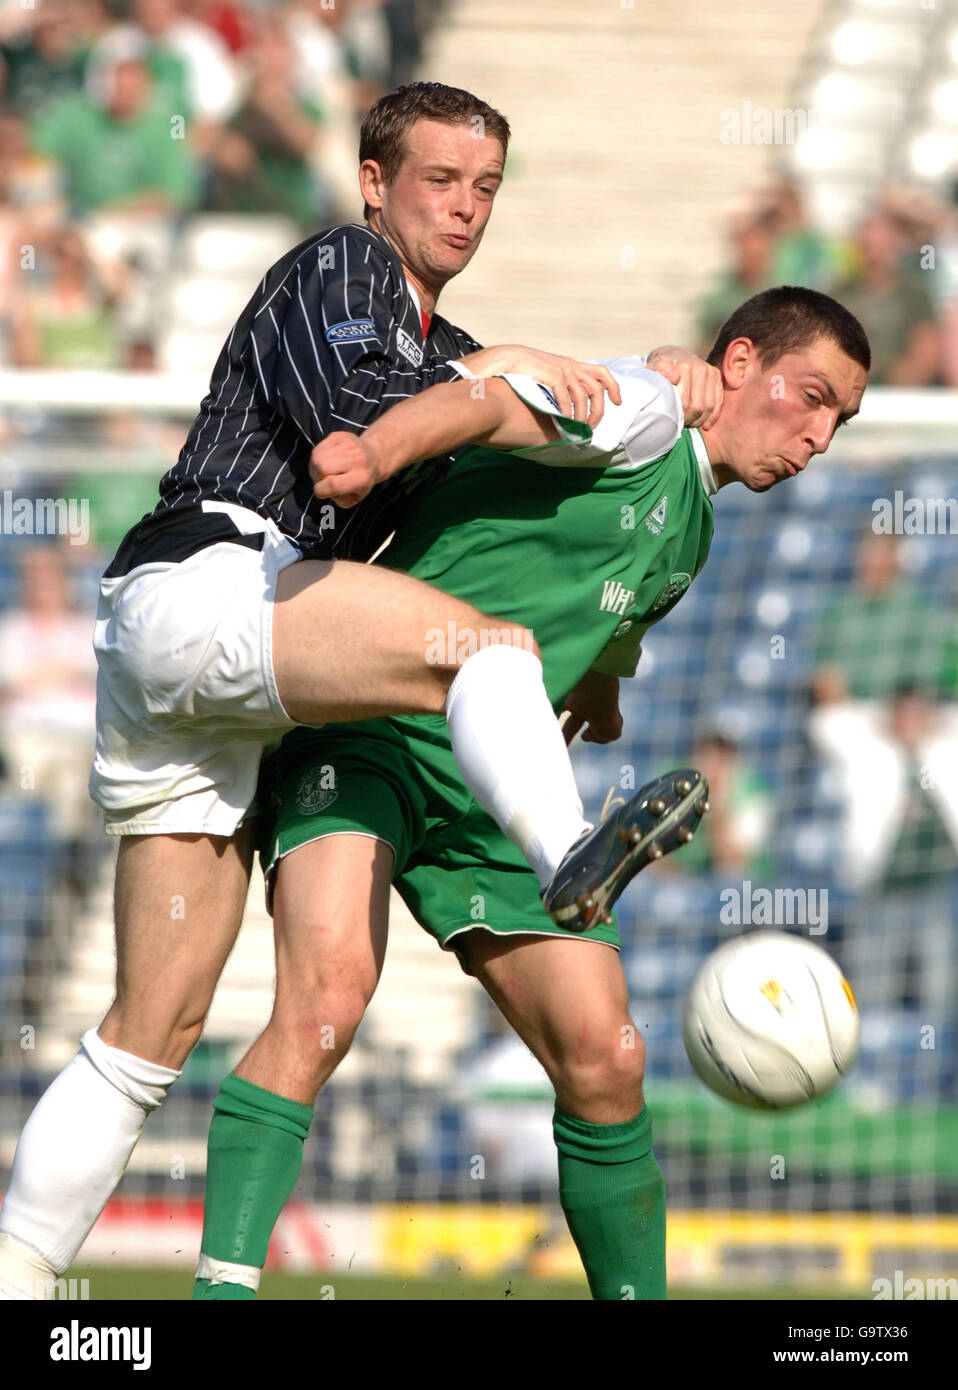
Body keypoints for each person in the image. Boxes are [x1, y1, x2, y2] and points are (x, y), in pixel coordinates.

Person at [0, 79, 715, 1300]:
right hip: (209, 584)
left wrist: (643, 373)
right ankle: (565, 852)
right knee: (482, 650)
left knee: (145, 1040)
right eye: (440, 180)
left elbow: (504, 428)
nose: (466, 206)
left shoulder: (436, 348)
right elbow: (355, 425)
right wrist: (507, 366)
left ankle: (21, 1284)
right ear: (375, 183)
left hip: (209, 691)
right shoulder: (344, 265)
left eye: (486, 186)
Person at [191, 286, 870, 1300]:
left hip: (489, 791)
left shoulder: (690, 537)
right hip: (370, 726)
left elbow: (614, 621)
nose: (817, 435)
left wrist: (598, 691)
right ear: (735, 364)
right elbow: (494, 406)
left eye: (840, 420)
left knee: (607, 1056)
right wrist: (378, 452)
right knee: (327, 1000)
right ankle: (220, 1291)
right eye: (809, 395)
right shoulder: (642, 406)